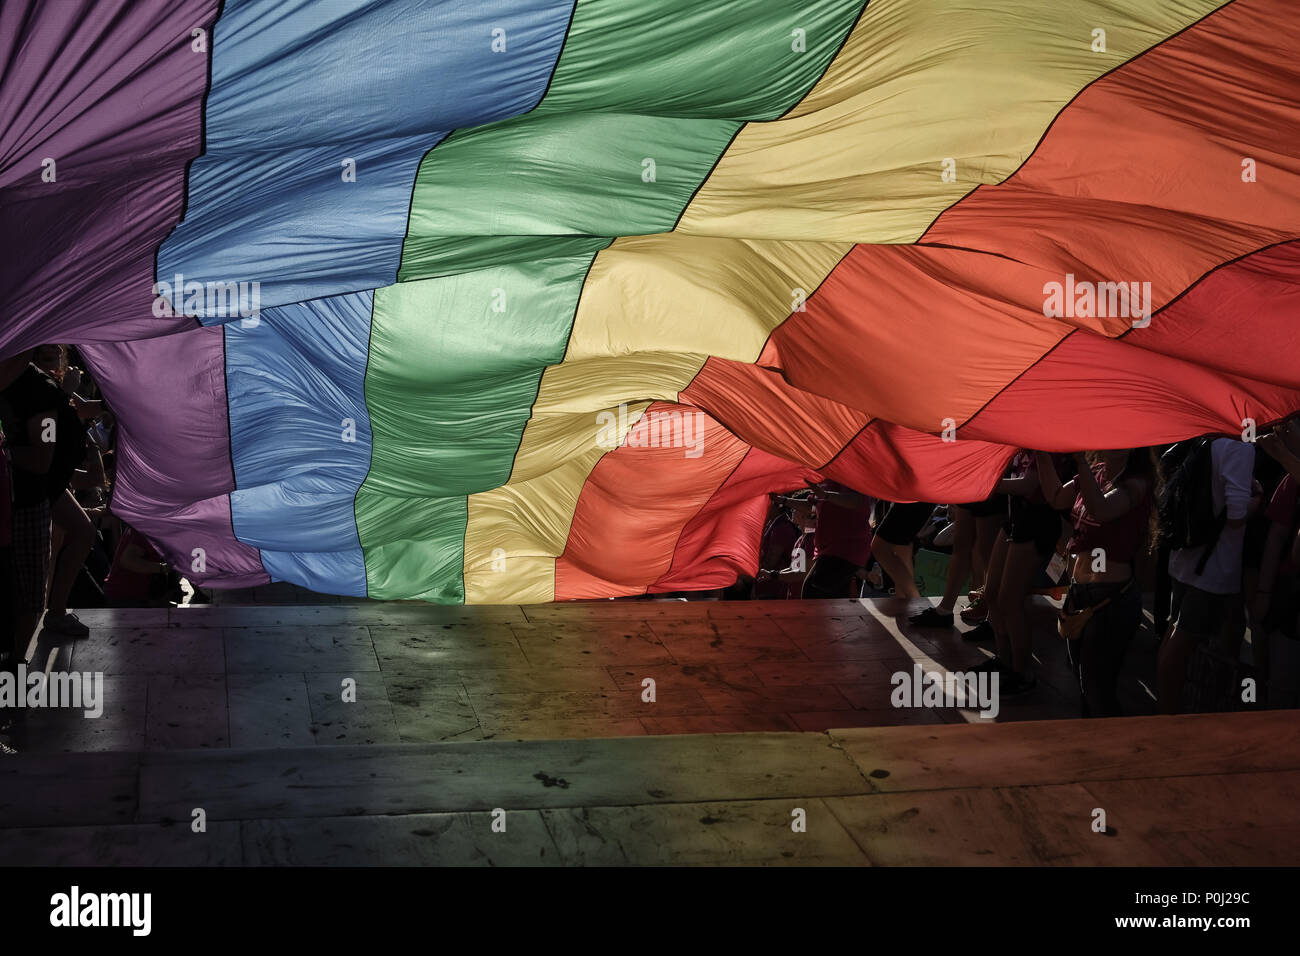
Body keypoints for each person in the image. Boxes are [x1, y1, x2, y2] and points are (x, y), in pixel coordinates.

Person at [1036, 448, 1157, 717]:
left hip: (1111, 599)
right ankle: (1093, 747)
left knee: (1097, 689)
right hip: (1080, 593)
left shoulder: (1137, 483)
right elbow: (1056, 498)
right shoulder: (1096, 472)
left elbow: (1101, 510)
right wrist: (1040, 455)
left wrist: (1080, 461)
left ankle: (1111, 751)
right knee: (1084, 684)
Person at [1158, 437, 1255, 714]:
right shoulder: (1239, 447)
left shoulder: (1204, 437)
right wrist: (1255, 503)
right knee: (1183, 640)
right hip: (1212, 567)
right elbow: (1236, 517)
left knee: (1174, 629)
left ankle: (1166, 708)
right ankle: (1167, 717)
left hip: (1185, 557)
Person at [978, 450, 1065, 694]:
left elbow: (1030, 484)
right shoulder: (1021, 442)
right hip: (1017, 516)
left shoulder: (1045, 445)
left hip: (1037, 520)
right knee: (992, 593)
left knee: (1009, 599)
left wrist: (985, 483)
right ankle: (1004, 661)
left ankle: (1022, 672)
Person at [802, 481, 874, 599]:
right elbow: (810, 506)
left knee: (812, 593)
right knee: (833, 600)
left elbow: (858, 501)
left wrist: (825, 495)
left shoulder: (846, 475)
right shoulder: (823, 480)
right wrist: (782, 500)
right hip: (828, 549)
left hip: (845, 548)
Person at [870, 500, 934, 600]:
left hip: (913, 495)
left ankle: (914, 600)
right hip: (918, 496)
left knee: (880, 547)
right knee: (902, 548)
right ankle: (907, 600)